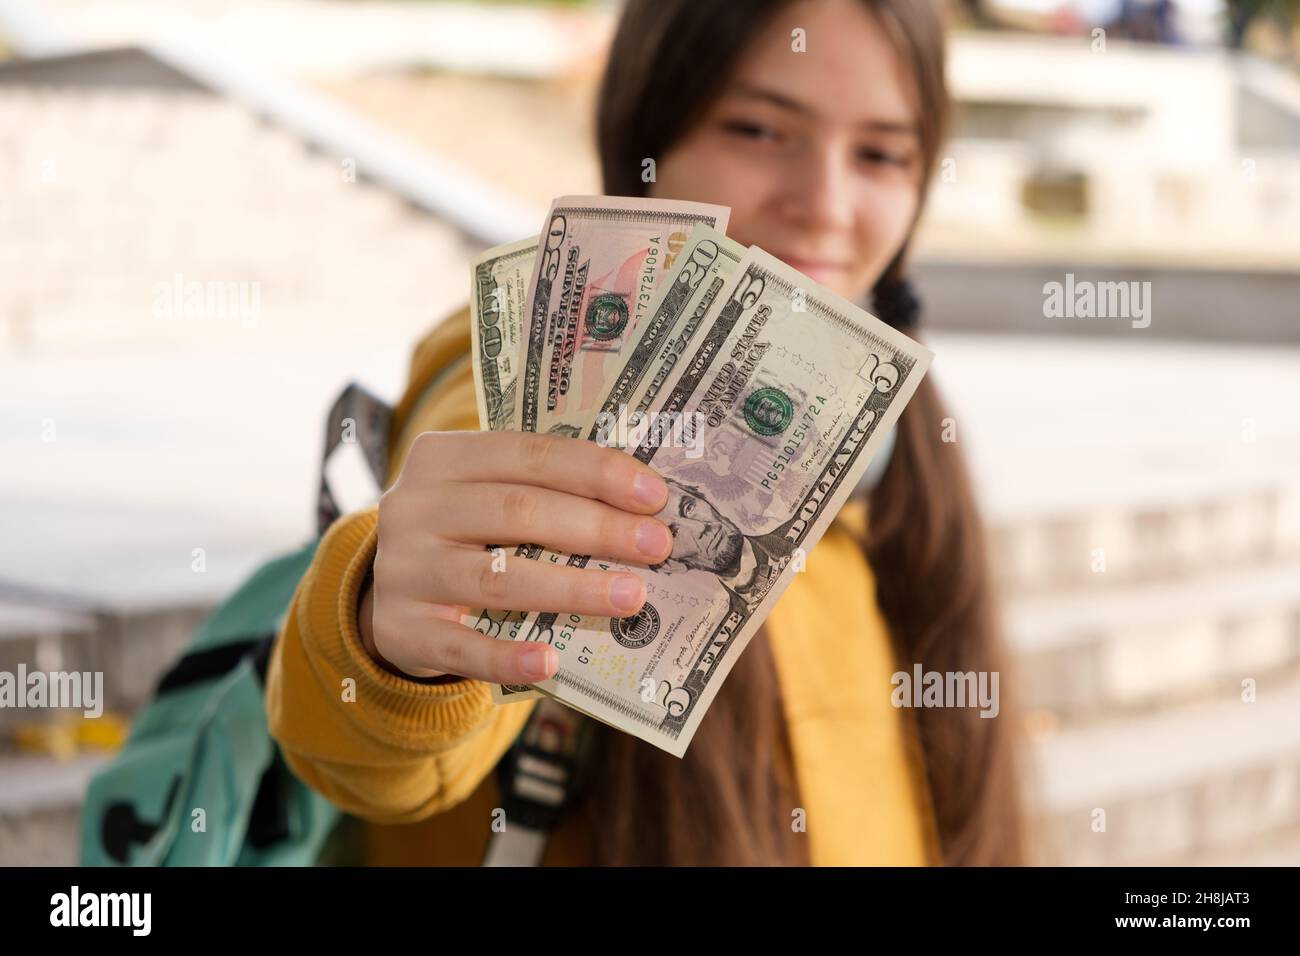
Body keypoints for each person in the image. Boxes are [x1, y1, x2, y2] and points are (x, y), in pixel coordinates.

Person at [266, 0, 1026, 866]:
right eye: (759, 129)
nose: (826, 203)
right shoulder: (521, 389)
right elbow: (382, 761)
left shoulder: (905, 434)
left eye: (882, 153)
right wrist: (387, 640)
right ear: (644, 141)